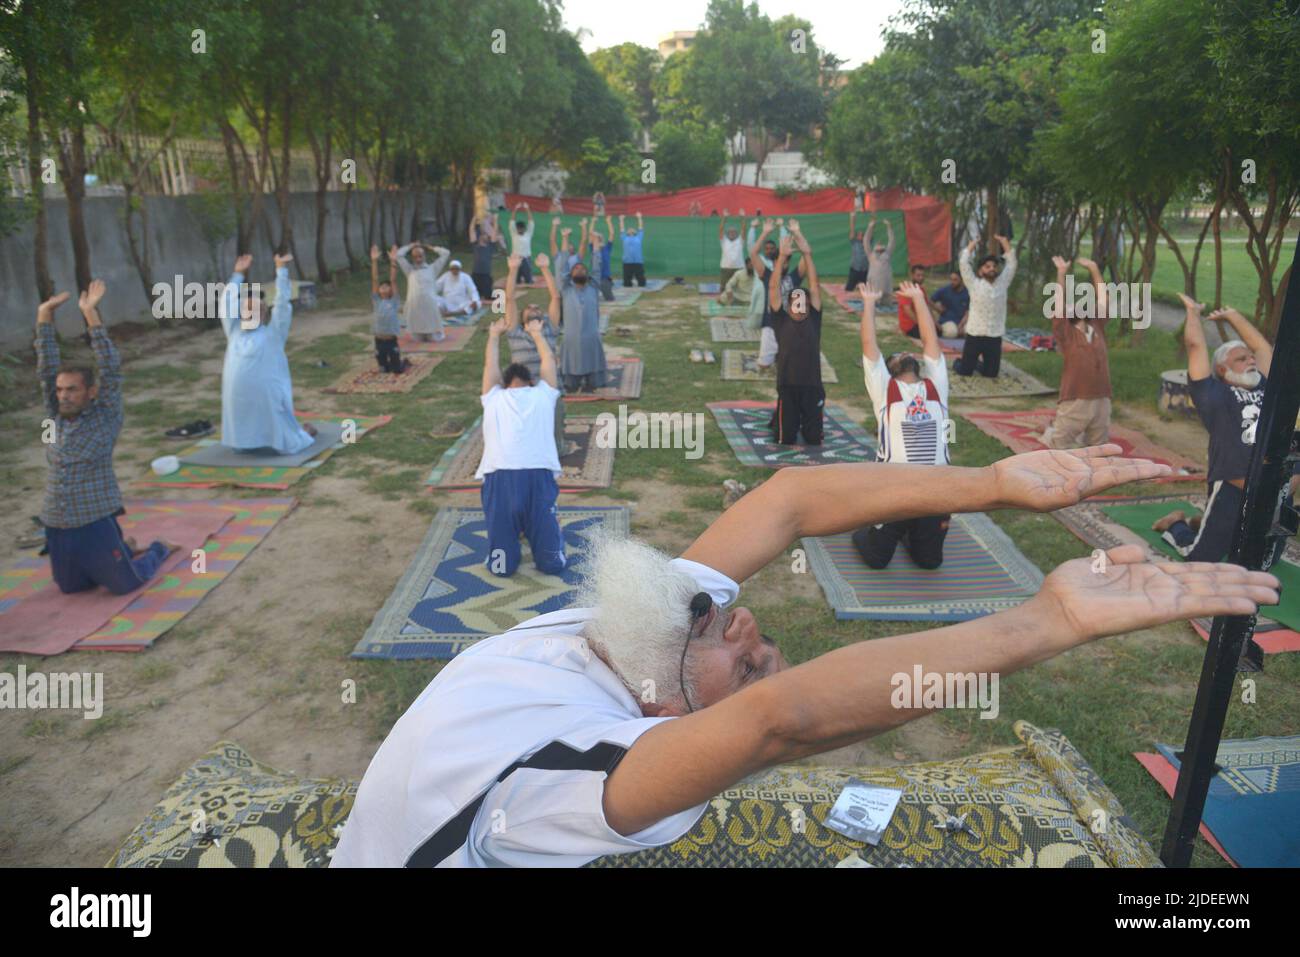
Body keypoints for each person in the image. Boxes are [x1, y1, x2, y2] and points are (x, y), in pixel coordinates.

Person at [332, 445, 1278, 867]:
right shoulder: (572, 751)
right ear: (663, 720)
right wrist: (1044, 622)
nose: (747, 630)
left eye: (743, 649)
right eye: (745, 661)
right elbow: (782, 724)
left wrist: (993, 482)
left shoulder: (609, 639)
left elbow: (786, 502)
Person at [35, 282, 175, 595]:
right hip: (56, 521)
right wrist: (44, 314)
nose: (64, 395)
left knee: (126, 584)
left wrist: (90, 315)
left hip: (94, 519)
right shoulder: (53, 417)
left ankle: (157, 549)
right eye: (60, 390)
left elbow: (111, 369)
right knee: (70, 587)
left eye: (72, 389)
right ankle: (123, 549)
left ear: (91, 392)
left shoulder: (104, 418)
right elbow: (45, 367)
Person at [1152, 296, 1272, 562]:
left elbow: (1263, 349)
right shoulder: (1214, 394)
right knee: (1201, 558)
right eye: (1242, 359)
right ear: (1222, 368)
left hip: (1267, 486)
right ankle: (1175, 524)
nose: (1251, 361)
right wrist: (1193, 313)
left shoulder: (1264, 386)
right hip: (1232, 486)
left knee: (1262, 558)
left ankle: (1200, 522)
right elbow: (1195, 347)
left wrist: (1233, 316)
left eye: (1250, 357)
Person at [852, 282, 951, 569]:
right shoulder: (886, 390)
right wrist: (869, 302)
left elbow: (931, 342)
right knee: (877, 559)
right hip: (895, 490)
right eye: (895, 356)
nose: (904, 354)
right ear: (890, 369)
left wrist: (919, 299)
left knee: (930, 562)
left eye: (907, 353)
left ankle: (913, 531)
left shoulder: (935, 386)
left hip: (937, 491)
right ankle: (867, 527)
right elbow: (869, 346)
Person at [474, 314, 566, 579]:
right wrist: (536, 333)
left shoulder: (494, 396)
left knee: (503, 567)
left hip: (503, 477)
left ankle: (519, 538)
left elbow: (489, 365)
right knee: (551, 565)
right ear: (531, 380)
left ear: (505, 382)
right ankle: (537, 538)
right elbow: (549, 361)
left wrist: (494, 335)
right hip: (531, 476)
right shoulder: (543, 393)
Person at [219, 252, 318, 454]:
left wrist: (281, 270)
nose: (249, 312)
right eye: (245, 309)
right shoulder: (234, 332)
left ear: (264, 314)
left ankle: (298, 432)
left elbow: (282, 304)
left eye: (255, 309)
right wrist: (237, 274)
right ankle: (249, 442)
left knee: (277, 413)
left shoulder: (272, 334)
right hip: (239, 399)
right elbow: (226, 303)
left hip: (266, 396)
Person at [1041, 256, 1111, 449]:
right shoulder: (1066, 333)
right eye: (1071, 306)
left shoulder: (1097, 325)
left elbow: (1104, 297)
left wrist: (1095, 269)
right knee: (1059, 445)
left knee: (1099, 447)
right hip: (1076, 398)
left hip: (1102, 396)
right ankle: (1050, 434)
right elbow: (1059, 303)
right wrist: (1061, 273)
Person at [767, 226, 824, 445]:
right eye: (796, 303)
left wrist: (807, 254)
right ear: (789, 306)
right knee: (785, 439)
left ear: (809, 305)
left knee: (813, 439)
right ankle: (779, 418)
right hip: (788, 385)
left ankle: (801, 419)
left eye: (804, 303)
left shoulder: (814, 319)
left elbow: (815, 285)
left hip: (812, 386)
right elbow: (773, 287)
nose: (800, 307)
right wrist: (781, 257)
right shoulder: (780, 320)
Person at [505, 251, 565, 456]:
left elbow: (555, 296)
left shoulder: (550, 327)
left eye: (537, 308)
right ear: (522, 319)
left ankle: (554, 447)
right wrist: (513, 270)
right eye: (529, 308)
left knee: (554, 435)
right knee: (523, 435)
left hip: (549, 388)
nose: (533, 307)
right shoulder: (515, 332)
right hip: (523, 391)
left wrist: (545, 269)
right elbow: (510, 299)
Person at [953, 235, 1017, 378]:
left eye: (994, 266)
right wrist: (970, 247)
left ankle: (976, 363)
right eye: (987, 267)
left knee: (991, 374)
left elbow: (1012, 265)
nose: (992, 269)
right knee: (965, 372)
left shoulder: (1003, 283)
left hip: (994, 335)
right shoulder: (973, 284)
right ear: (980, 271)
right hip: (975, 334)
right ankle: (961, 362)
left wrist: (1005, 244)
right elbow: (964, 264)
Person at [750, 218, 807, 369]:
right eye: (780, 261)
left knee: (792, 365)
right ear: (774, 263)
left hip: (791, 326)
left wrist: (797, 233)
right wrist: (765, 232)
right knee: (763, 365)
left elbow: (807, 256)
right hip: (770, 326)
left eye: (787, 262)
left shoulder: (794, 277)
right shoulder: (767, 275)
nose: (784, 264)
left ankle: (781, 356)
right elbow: (753, 253)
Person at [557, 223, 607, 392]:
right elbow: (563, 265)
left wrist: (595, 242)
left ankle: (592, 377)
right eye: (576, 268)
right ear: (571, 275)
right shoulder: (566, 289)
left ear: (587, 275)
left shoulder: (593, 287)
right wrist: (564, 238)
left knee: (596, 383)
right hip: (571, 340)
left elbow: (596, 264)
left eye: (582, 268)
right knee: (570, 385)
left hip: (592, 338)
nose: (579, 269)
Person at [396, 240, 451, 342]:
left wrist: (430, 247)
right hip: (414, 306)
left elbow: (446, 253)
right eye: (415, 257)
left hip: (429, 306)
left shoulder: (432, 268)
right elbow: (399, 255)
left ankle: (434, 333)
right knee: (417, 340)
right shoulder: (409, 270)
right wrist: (411, 246)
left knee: (434, 339)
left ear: (424, 256)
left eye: (420, 256)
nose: (418, 259)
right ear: (412, 258)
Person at [370, 245, 407, 374]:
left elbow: (393, 279)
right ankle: (385, 364)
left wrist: (393, 261)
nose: (384, 288)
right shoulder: (376, 300)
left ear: (391, 290)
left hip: (391, 341)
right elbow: (374, 279)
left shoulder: (394, 301)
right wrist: (374, 261)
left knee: (397, 370)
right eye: (382, 287)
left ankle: (402, 363)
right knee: (383, 370)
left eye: (387, 286)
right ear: (378, 291)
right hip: (379, 340)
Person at [468, 213, 505, 302]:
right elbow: (471, 230)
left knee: (488, 295)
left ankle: (487, 294)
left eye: (486, 235)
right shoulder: (475, 244)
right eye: (483, 234)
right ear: (480, 237)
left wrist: (495, 220)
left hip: (486, 273)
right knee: (476, 294)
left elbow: (494, 233)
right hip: (476, 272)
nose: (485, 236)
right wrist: (474, 219)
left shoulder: (490, 245)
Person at [863, 216, 895, 308]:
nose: (880, 243)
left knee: (887, 303)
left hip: (886, 281)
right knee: (873, 302)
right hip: (874, 281)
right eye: (878, 243)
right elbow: (866, 240)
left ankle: (885, 303)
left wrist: (889, 227)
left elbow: (891, 241)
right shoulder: (870, 254)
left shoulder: (887, 253)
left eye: (881, 244)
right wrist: (870, 227)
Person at [931, 271, 969, 338]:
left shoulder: (968, 293)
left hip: (962, 321)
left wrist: (961, 325)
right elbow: (929, 301)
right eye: (951, 279)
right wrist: (937, 308)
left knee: (969, 332)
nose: (952, 282)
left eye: (955, 280)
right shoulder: (944, 290)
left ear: (962, 280)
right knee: (952, 332)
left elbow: (968, 312)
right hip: (947, 320)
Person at [895, 263, 929, 339]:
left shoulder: (922, 290)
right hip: (910, 326)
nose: (921, 278)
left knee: (937, 331)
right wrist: (921, 324)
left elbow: (927, 308)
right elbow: (907, 310)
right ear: (912, 275)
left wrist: (934, 323)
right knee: (929, 336)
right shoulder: (907, 290)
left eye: (923, 275)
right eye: (918, 275)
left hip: (920, 323)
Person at [718, 208, 746, 288]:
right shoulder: (724, 241)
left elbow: (744, 228)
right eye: (730, 232)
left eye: (734, 232)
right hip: (725, 268)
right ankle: (723, 300)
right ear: (727, 234)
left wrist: (742, 217)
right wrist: (724, 217)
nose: (732, 233)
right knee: (724, 288)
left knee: (740, 288)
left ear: (737, 234)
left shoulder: (740, 241)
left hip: (739, 268)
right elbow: (721, 229)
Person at [510, 203, 535, 284]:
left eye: (521, 229)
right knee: (515, 281)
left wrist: (527, 208)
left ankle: (528, 278)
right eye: (518, 229)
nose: (519, 230)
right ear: (516, 229)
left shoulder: (528, 234)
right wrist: (516, 208)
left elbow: (531, 221)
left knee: (529, 281)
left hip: (526, 259)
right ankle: (517, 278)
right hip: (515, 259)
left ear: (524, 229)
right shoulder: (514, 234)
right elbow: (512, 221)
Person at [618, 211, 645, 287]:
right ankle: (628, 283)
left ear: (635, 232)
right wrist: (621, 220)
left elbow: (640, 227)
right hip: (627, 262)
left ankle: (641, 283)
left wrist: (639, 218)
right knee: (626, 283)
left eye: (632, 229)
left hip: (638, 261)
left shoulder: (639, 237)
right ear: (627, 232)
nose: (630, 229)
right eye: (629, 229)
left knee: (642, 282)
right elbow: (622, 228)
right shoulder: (624, 237)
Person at [847, 209, 870, 293]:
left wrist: (872, 220)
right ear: (857, 237)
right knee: (849, 289)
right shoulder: (854, 242)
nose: (861, 235)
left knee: (867, 290)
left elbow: (870, 231)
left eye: (862, 234)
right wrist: (852, 218)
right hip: (855, 270)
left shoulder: (867, 243)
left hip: (865, 270)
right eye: (859, 234)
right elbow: (852, 229)